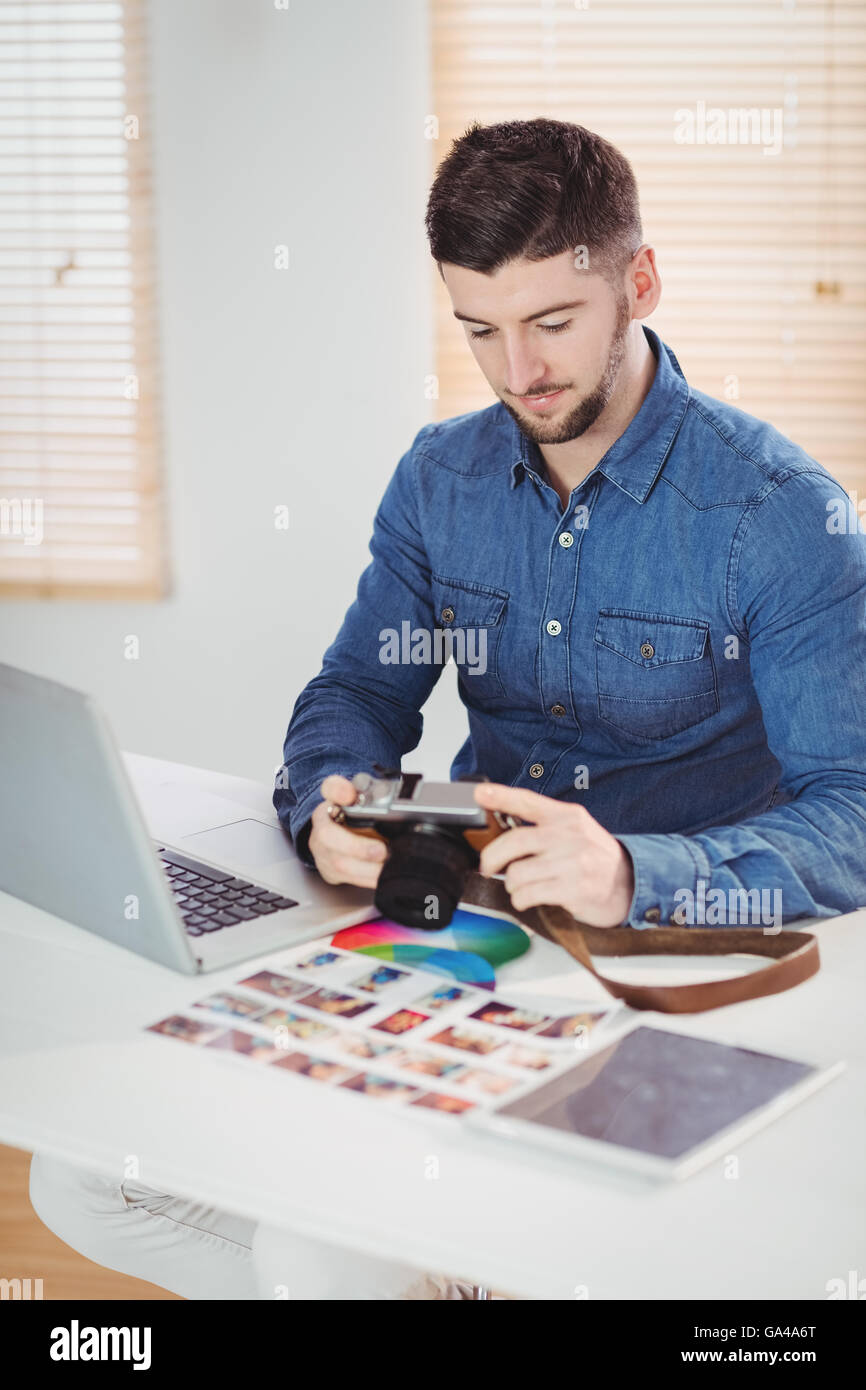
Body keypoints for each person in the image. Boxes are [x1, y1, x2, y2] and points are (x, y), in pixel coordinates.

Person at [31, 116, 866, 1301]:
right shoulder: (442, 477)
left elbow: (852, 808)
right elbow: (358, 691)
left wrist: (631, 869)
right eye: (479, 329)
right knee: (84, 1181)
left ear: (637, 281)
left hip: (660, 970)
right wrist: (325, 794)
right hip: (459, 933)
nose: (516, 370)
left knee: (315, 1253)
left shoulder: (777, 513)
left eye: (551, 323)